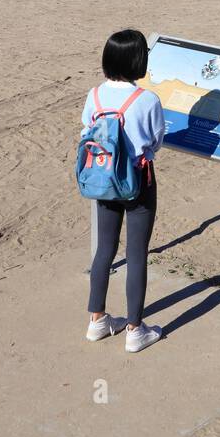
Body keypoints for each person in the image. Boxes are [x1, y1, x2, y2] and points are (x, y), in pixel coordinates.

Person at [82, 29, 166, 354]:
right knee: (136, 253)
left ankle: (97, 320)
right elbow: (156, 140)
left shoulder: (95, 95)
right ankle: (134, 329)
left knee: (105, 249)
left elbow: (85, 128)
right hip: (138, 181)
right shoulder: (147, 100)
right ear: (138, 60)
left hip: (104, 179)